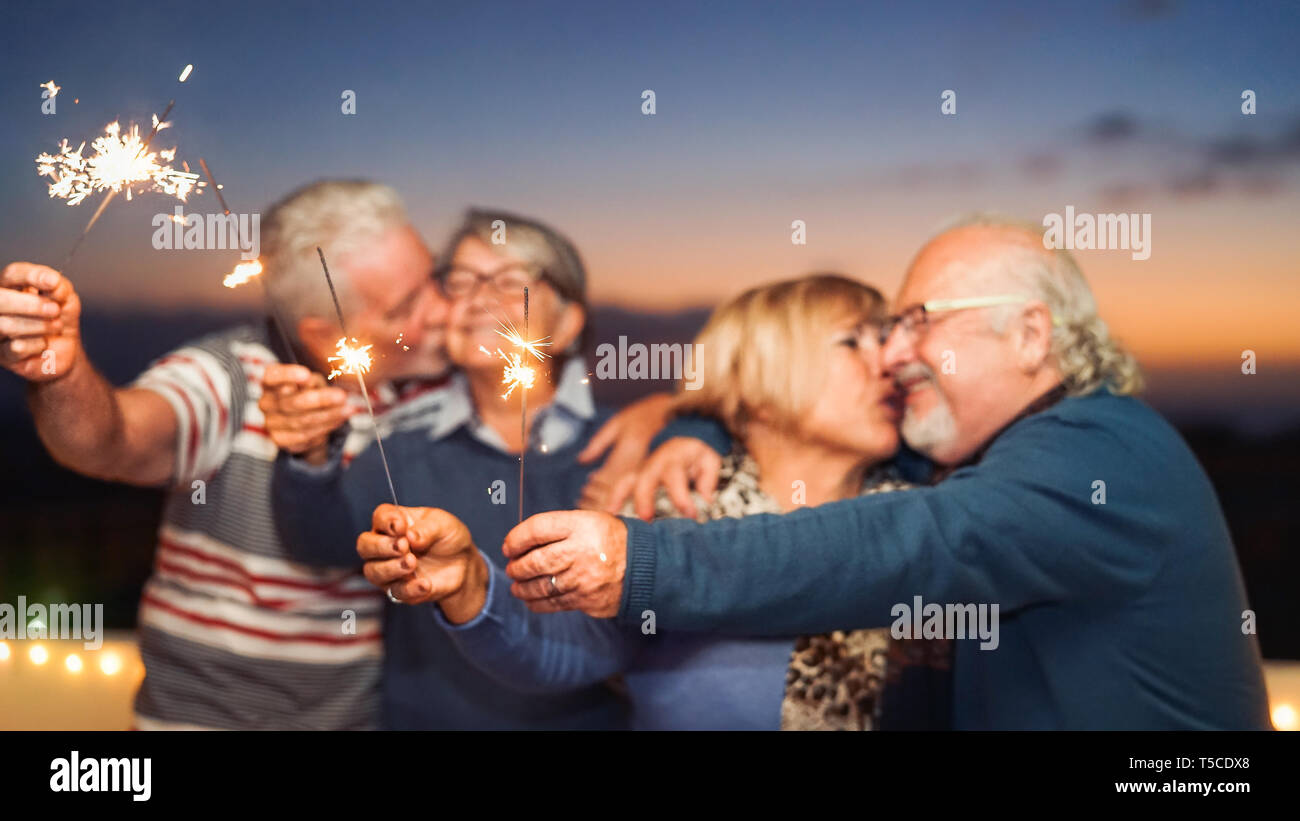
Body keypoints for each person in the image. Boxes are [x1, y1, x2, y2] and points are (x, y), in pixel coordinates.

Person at [493, 214, 1272, 730]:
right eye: (877, 334)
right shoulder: (982, 457)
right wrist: (687, 414)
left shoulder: (1095, 454)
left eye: (917, 322)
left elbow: (915, 542)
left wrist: (642, 560)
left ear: (1031, 334)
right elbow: (767, 411)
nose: (895, 356)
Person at [355, 274, 913, 729]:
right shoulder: (671, 506)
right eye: (853, 341)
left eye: (884, 338)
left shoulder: (927, 514)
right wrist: (472, 583)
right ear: (761, 380)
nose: (888, 361)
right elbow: (568, 648)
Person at [0, 179, 452, 729]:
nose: (441, 308)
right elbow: (110, 441)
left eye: (432, 276)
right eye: (406, 304)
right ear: (325, 334)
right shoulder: (228, 378)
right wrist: (59, 372)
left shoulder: (423, 396)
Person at [270, 208, 671, 729]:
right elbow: (316, 543)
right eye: (460, 281)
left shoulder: (630, 447)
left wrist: (674, 409)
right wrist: (307, 453)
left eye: (510, 280)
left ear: (570, 322)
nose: (479, 298)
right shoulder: (402, 446)